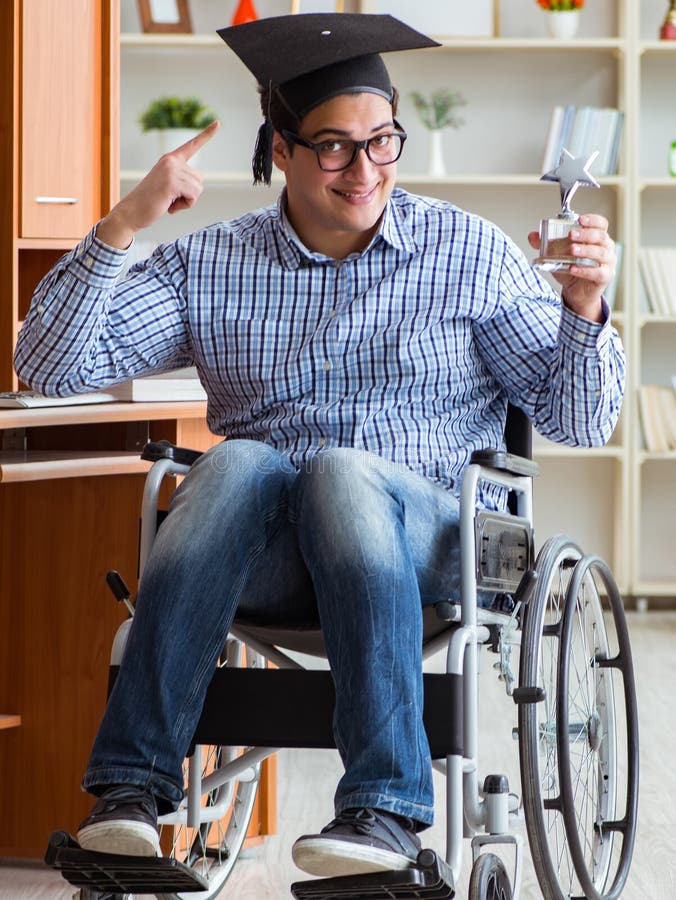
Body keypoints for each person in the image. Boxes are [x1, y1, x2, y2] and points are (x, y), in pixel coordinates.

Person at [14, 12, 624, 880]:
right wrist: (123, 222)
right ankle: (129, 794)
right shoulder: (212, 263)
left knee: (342, 472)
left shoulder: (468, 253)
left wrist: (586, 308)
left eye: (383, 142)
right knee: (235, 461)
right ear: (282, 148)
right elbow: (46, 364)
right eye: (335, 147)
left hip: (428, 544)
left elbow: (579, 419)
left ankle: (385, 807)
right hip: (272, 557)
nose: (364, 168)